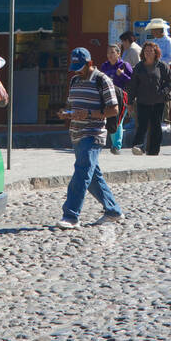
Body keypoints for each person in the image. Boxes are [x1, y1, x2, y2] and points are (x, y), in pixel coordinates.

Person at [56, 47, 124, 229]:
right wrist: (66, 112)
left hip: (93, 134)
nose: (77, 70)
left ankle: (71, 215)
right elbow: (71, 104)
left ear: (89, 63)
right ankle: (113, 210)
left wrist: (88, 113)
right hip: (76, 133)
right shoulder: (74, 80)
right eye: (75, 67)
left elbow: (113, 110)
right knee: (92, 176)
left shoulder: (103, 80)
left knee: (81, 172)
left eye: (80, 66)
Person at [128, 41, 171, 156]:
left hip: (158, 102)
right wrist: (130, 102)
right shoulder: (138, 67)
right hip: (143, 101)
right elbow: (133, 86)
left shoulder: (162, 66)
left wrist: (163, 92)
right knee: (142, 126)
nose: (148, 53)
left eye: (150, 51)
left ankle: (153, 150)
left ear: (155, 52)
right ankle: (138, 147)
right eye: (146, 51)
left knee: (156, 126)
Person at [99, 45, 133, 154]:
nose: (110, 55)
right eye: (108, 52)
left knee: (118, 121)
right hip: (108, 97)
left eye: (112, 52)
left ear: (118, 54)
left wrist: (122, 75)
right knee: (110, 120)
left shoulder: (124, 65)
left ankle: (116, 146)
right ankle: (114, 144)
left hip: (122, 97)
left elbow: (133, 82)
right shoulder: (105, 66)